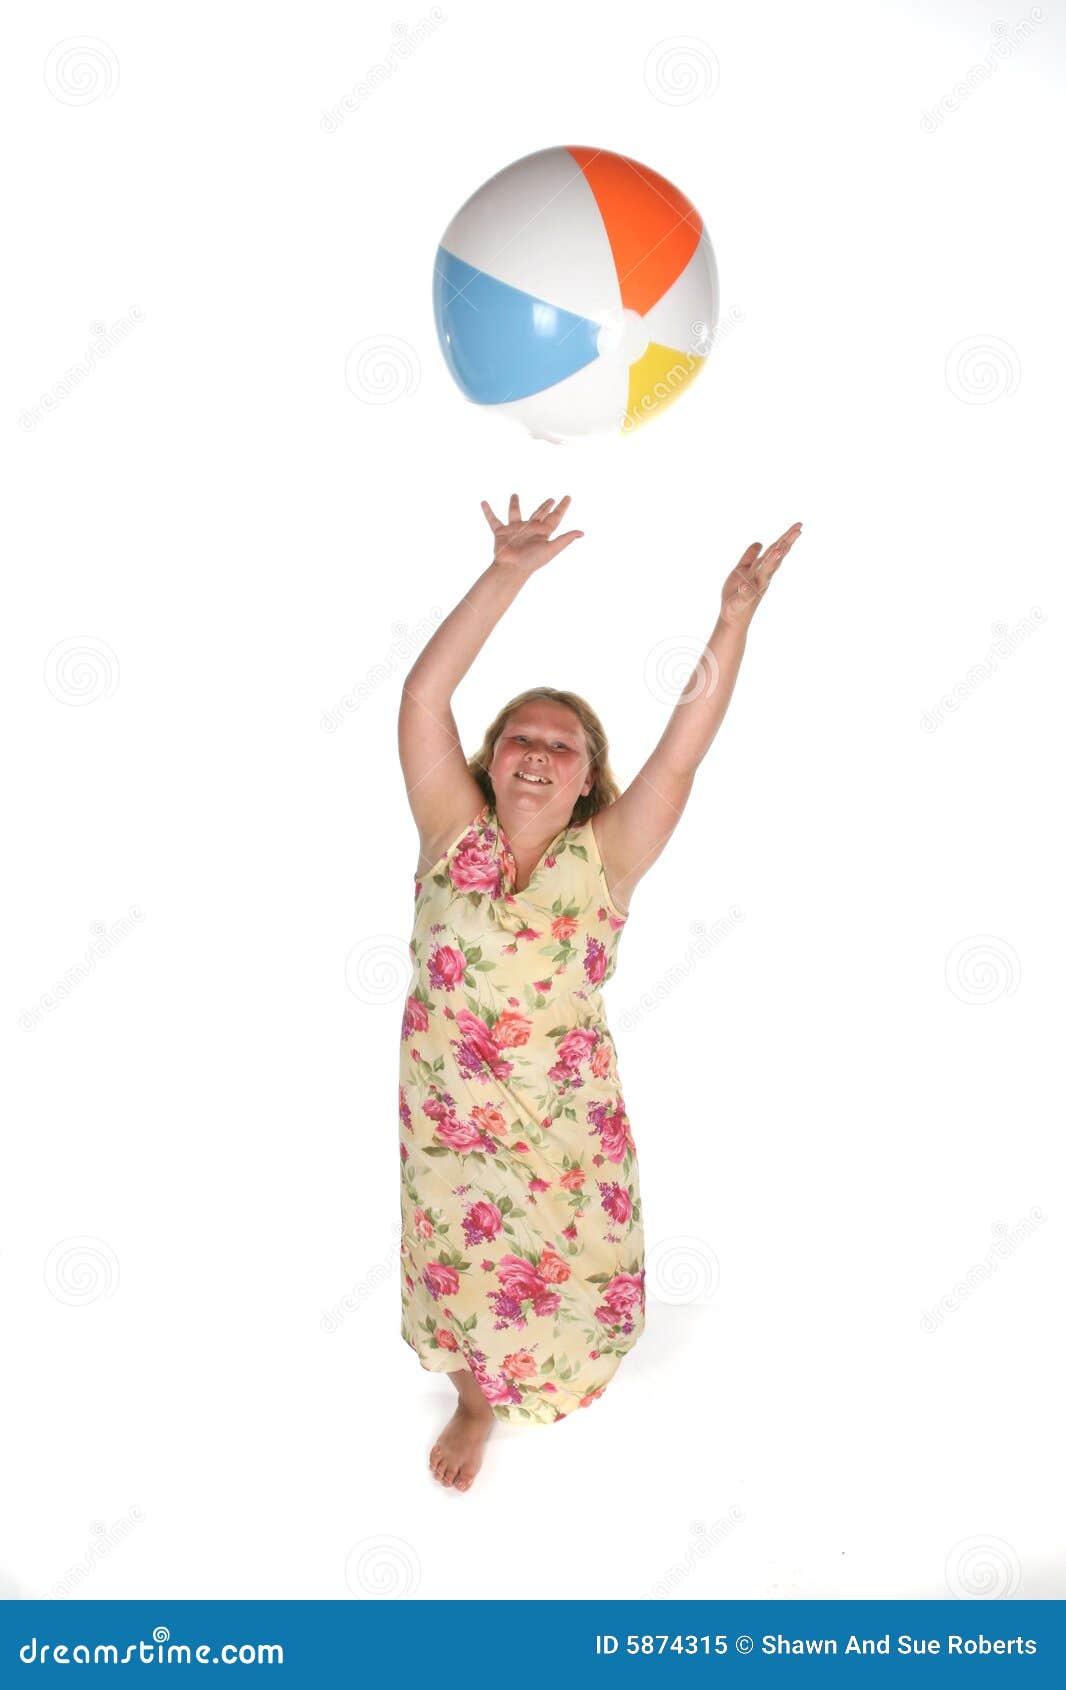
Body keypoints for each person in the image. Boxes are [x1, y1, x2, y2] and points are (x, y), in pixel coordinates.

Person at [397, 493, 802, 1491]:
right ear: (490, 764)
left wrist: (731, 622)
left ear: (586, 781)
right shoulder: (452, 830)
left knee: (563, 1270)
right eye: (519, 740)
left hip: (562, 1132)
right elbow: (420, 701)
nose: (536, 751)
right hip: (447, 1122)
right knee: (457, 1259)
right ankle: (476, 1398)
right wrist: (506, 575)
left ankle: (544, 1378)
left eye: (562, 745)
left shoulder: (608, 857)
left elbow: (681, 750)